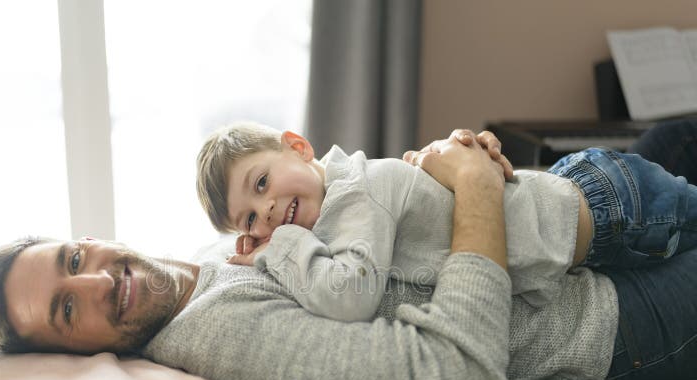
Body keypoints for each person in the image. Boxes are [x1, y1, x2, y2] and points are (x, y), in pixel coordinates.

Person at [0, 120, 697, 380]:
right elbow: (457, 367)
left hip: (567, 209)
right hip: (601, 316)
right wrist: (473, 184)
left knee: (670, 137)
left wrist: (436, 161)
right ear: (71, 354)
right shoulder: (220, 336)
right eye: (70, 308)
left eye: (75, 258)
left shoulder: (214, 255)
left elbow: (368, 208)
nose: (98, 279)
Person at [195, 121, 697, 321]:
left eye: (261, 184)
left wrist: (276, 250)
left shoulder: (355, 195)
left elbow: (351, 296)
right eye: (249, 222)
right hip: (587, 208)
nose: (266, 215)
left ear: (299, 148)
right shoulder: (341, 208)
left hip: (611, 211)